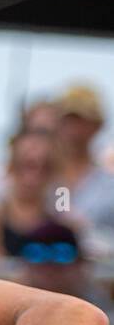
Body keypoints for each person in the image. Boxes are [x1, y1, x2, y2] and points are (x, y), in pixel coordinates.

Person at [0, 130, 65, 264]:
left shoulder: (62, 219)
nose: (32, 178)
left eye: (44, 168)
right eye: (26, 166)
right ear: (11, 166)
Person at [51, 84, 114, 256]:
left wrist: (86, 233)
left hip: (99, 276)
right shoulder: (42, 175)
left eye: (81, 120)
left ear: (97, 125)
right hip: (43, 272)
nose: (73, 129)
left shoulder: (108, 182)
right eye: (67, 120)